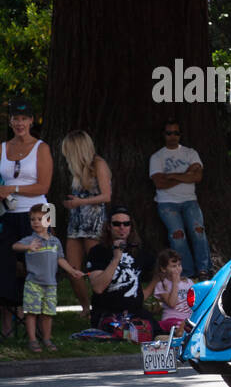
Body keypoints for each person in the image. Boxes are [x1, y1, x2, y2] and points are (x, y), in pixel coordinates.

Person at [0, 96, 52, 341]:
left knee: (40, 267)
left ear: (31, 120)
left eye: (24, 119)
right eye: (15, 119)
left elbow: (44, 184)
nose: (19, 123)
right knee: (5, 265)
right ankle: (8, 321)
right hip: (8, 215)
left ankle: (42, 327)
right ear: (10, 122)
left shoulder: (41, 147)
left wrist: (13, 189)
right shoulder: (2, 147)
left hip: (37, 213)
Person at [13, 204, 83, 352]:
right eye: (32, 219)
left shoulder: (55, 242)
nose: (36, 222)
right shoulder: (30, 240)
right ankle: (32, 340)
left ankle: (46, 339)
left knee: (48, 313)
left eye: (39, 219)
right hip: (33, 283)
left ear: (49, 221)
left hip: (50, 284)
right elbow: (15, 246)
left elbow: (60, 259)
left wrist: (72, 271)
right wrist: (27, 247)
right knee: (32, 312)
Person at [59, 129, 113, 321]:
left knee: (95, 267)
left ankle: (102, 305)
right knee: (72, 268)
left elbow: (106, 196)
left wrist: (80, 202)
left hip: (94, 224)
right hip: (76, 223)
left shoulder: (98, 164)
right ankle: (85, 307)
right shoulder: (76, 169)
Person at [149, 119, 211, 279]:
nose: (172, 136)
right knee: (178, 236)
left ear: (180, 135)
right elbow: (160, 183)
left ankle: (203, 270)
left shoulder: (190, 153)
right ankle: (187, 272)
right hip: (167, 203)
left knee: (198, 232)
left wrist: (172, 176)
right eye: (169, 133)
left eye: (176, 133)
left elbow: (197, 176)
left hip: (190, 200)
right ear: (164, 135)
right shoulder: (157, 157)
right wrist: (185, 175)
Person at [84, 206, 155, 331]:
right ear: (108, 226)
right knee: (123, 332)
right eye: (117, 224)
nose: (122, 227)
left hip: (135, 311)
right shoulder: (98, 251)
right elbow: (98, 287)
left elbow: (159, 271)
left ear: (131, 227)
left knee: (157, 333)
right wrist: (116, 258)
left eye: (126, 224)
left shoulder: (139, 251)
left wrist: (152, 285)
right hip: (108, 313)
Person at [146, 249, 194, 332]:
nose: (178, 269)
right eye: (173, 266)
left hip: (188, 318)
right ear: (164, 269)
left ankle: (183, 331)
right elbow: (172, 304)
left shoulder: (188, 282)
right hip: (172, 318)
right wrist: (175, 283)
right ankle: (180, 333)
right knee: (178, 326)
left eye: (179, 265)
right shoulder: (162, 285)